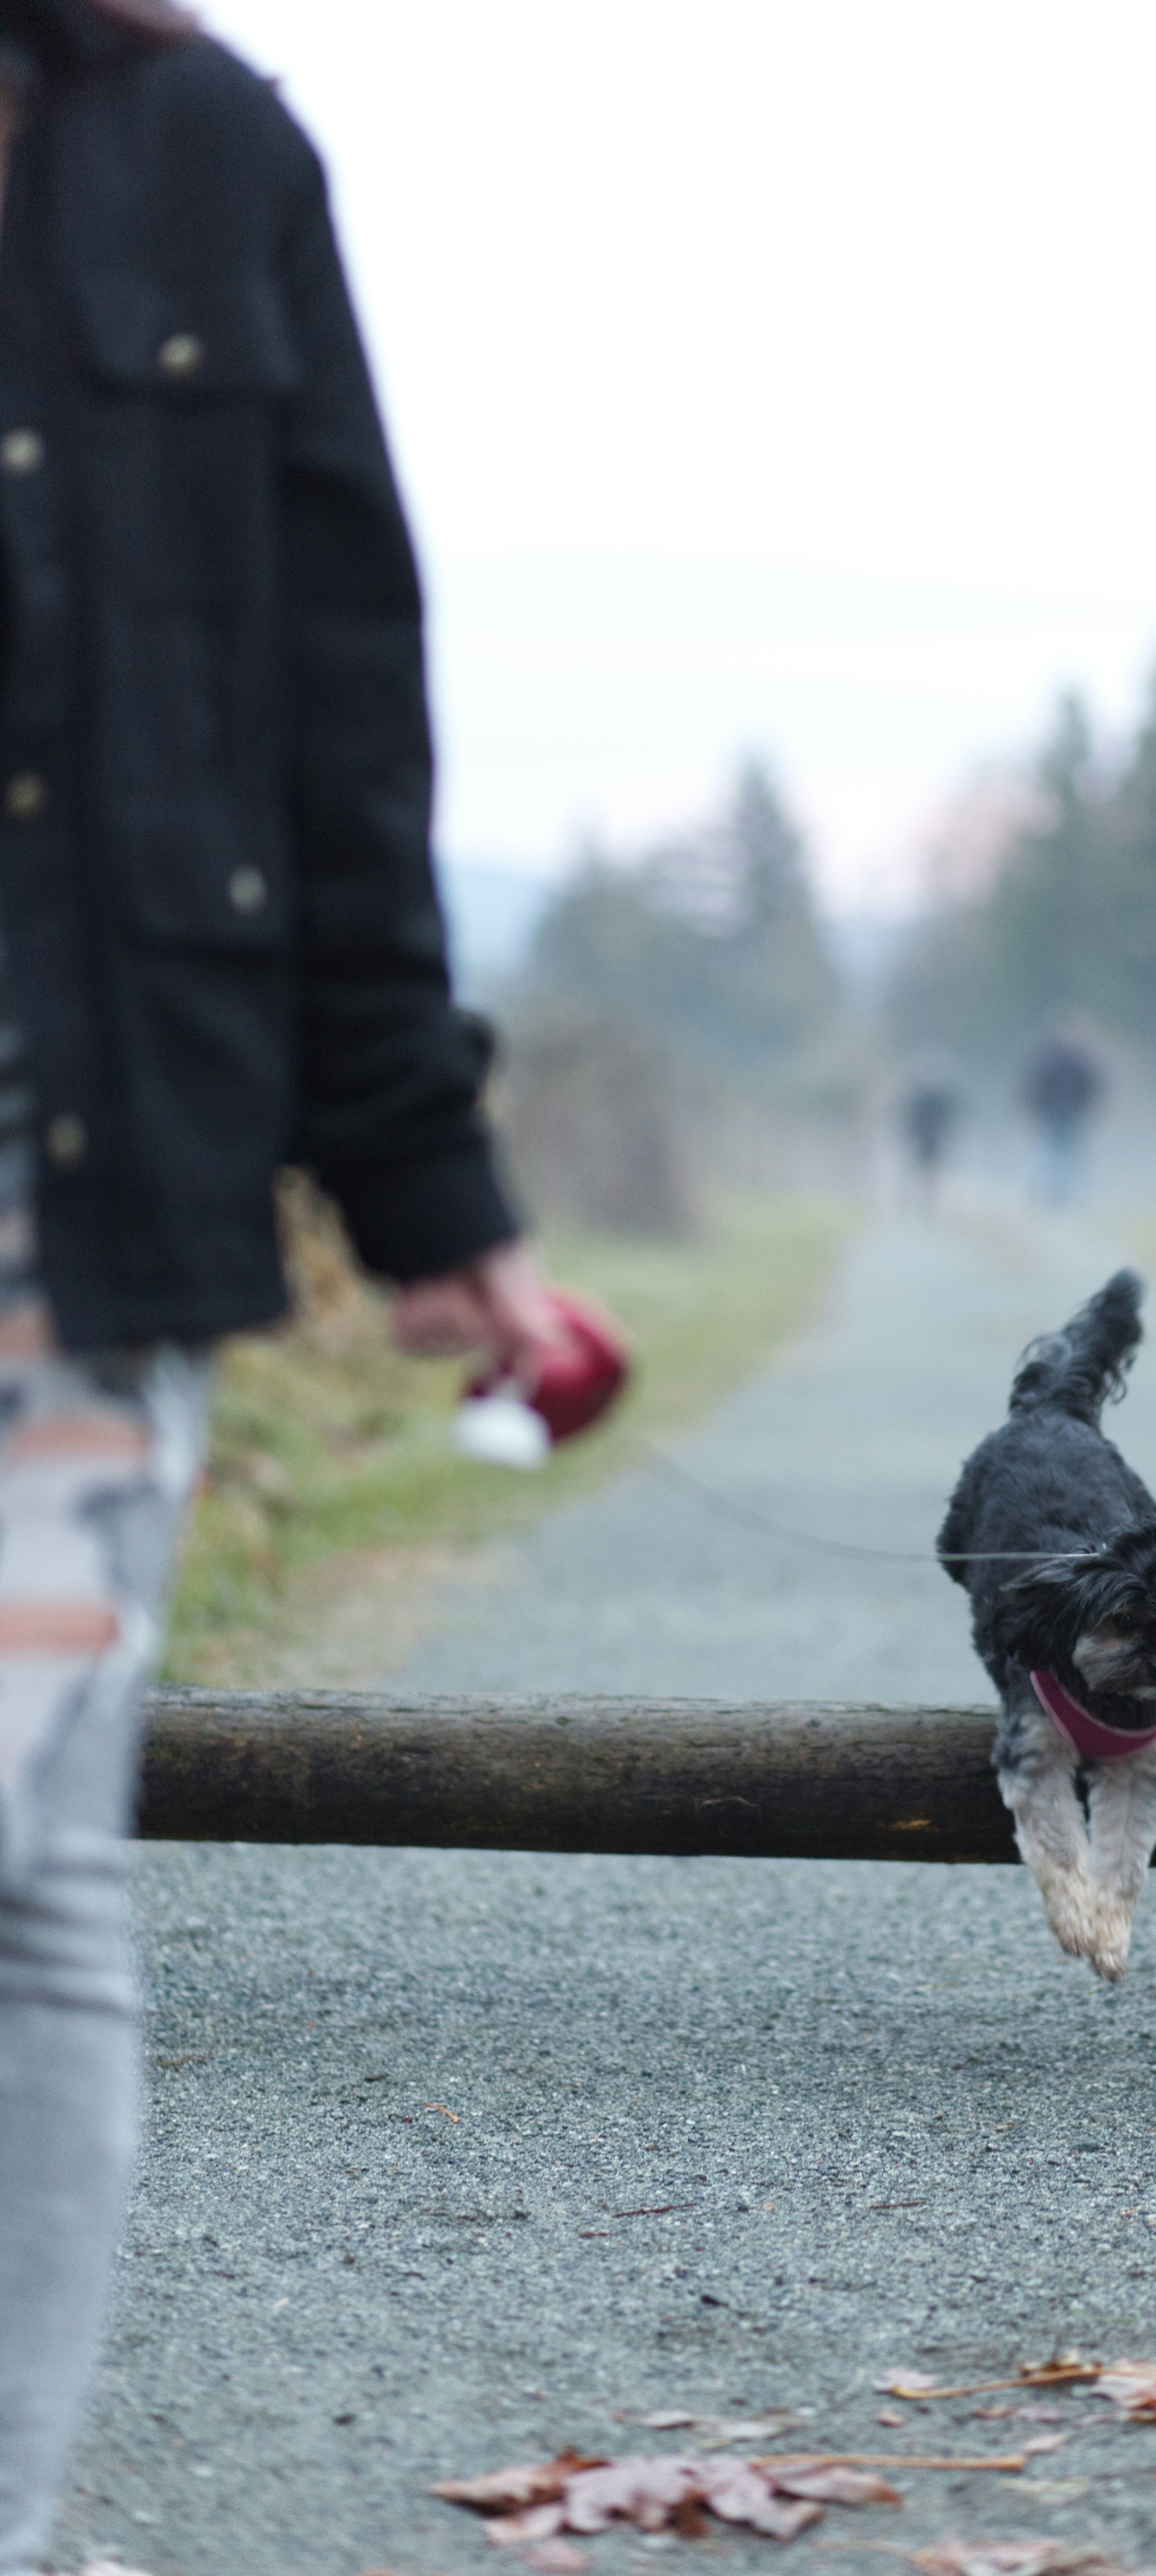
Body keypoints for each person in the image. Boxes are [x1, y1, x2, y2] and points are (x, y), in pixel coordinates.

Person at [0, 7, 577, 2566]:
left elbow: (331, 700)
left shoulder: (202, 143)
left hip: (84, 1176)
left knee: (37, 1882)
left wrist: (422, 1171)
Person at [1022, 1027, 1103, 1207]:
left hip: (1053, 1117)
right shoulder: (1082, 1064)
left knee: (1050, 1155)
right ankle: (1060, 1194)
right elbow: (1093, 1091)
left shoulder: (1048, 1061)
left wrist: (1034, 1111)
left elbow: (1034, 1088)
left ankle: (1047, 1192)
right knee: (1066, 1156)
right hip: (1069, 1118)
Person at [898, 1063, 962, 1210]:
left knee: (922, 1170)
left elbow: (911, 1118)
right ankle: (920, 1202)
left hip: (928, 1138)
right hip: (929, 1138)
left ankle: (919, 1202)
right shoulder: (941, 1097)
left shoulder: (923, 1096)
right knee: (925, 1171)